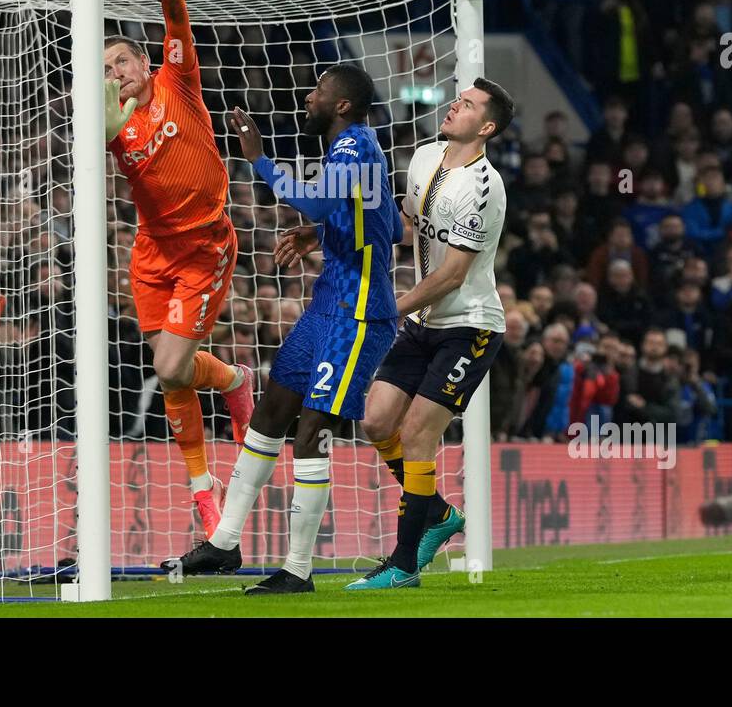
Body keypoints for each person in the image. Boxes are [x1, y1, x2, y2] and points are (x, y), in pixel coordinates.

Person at [170, 64, 403, 594]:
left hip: (359, 314)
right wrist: (320, 234)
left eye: (319, 89)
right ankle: (225, 541)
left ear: (341, 105)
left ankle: (298, 569)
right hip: (328, 305)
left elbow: (323, 199)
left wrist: (258, 160)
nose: (307, 95)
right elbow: (383, 221)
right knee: (273, 409)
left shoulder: (351, 147)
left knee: (311, 434)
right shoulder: (357, 146)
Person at [102, 0, 255, 537]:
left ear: (144, 65)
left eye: (121, 64)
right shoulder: (113, 125)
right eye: (104, 70)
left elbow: (175, 19)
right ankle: (203, 490)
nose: (114, 75)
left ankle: (236, 383)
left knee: (169, 367)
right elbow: (110, 127)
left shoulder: (178, 81)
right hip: (151, 252)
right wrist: (103, 100)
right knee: (169, 368)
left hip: (205, 246)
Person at [342, 78, 513, 590]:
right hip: (424, 322)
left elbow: (452, 275)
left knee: (418, 434)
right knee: (375, 421)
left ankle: (403, 565)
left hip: (470, 326)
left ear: (485, 128)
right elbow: (405, 224)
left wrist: (390, 308)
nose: (454, 104)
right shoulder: (423, 158)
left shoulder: (485, 187)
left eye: (468, 105)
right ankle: (437, 516)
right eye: (458, 99)